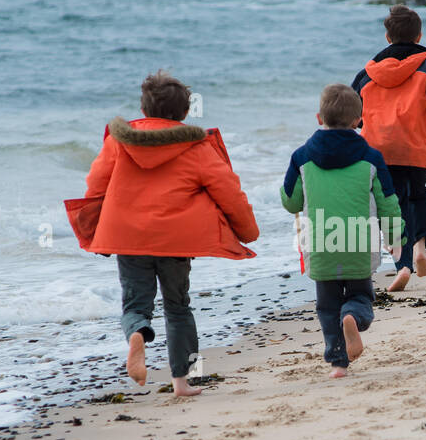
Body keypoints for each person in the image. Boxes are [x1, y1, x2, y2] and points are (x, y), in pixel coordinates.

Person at [79, 71, 258, 396]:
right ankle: (181, 382)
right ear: (185, 112)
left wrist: (92, 227)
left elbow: (94, 185)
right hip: (176, 239)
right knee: (177, 306)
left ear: (145, 109)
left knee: (135, 303)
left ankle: (137, 334)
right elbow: (228, 190)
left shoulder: (119, 141)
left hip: (128, 236)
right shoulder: (196, 145)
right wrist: (247, 230)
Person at [280, 83, 403, 378]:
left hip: (320, 242)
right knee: (360, 295)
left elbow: (290, 201)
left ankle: (338, 363)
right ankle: (353, 316)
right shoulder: (371, 157)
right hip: (359, 240)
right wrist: (396, 238)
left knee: (326, 305)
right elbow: (388, 202)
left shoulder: (301, 157)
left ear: (318, 118)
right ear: (358, 121)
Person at [351, 4, 426, 292]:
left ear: (387, 38)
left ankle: (403, 265)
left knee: (393, 204)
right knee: (418, 194)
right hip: (416, 144)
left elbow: (353, 112)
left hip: (380, 147)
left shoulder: (368, 71)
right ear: (419, 35)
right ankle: (420, 248)